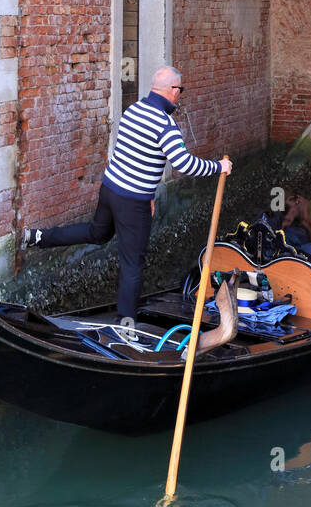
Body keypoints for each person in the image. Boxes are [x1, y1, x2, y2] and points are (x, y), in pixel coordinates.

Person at [22, 66, 232, 321]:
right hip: (132, 202)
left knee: (96, 233)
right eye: (180, 90)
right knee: (133, 263)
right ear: (173, 91)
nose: (180, 95)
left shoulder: (134, 109)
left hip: (110, 188)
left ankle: (37, 237)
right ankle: (126, 324)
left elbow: (134, 153)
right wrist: (219, 167)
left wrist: (150, 194)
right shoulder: (165, 124)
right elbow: (183, 164)